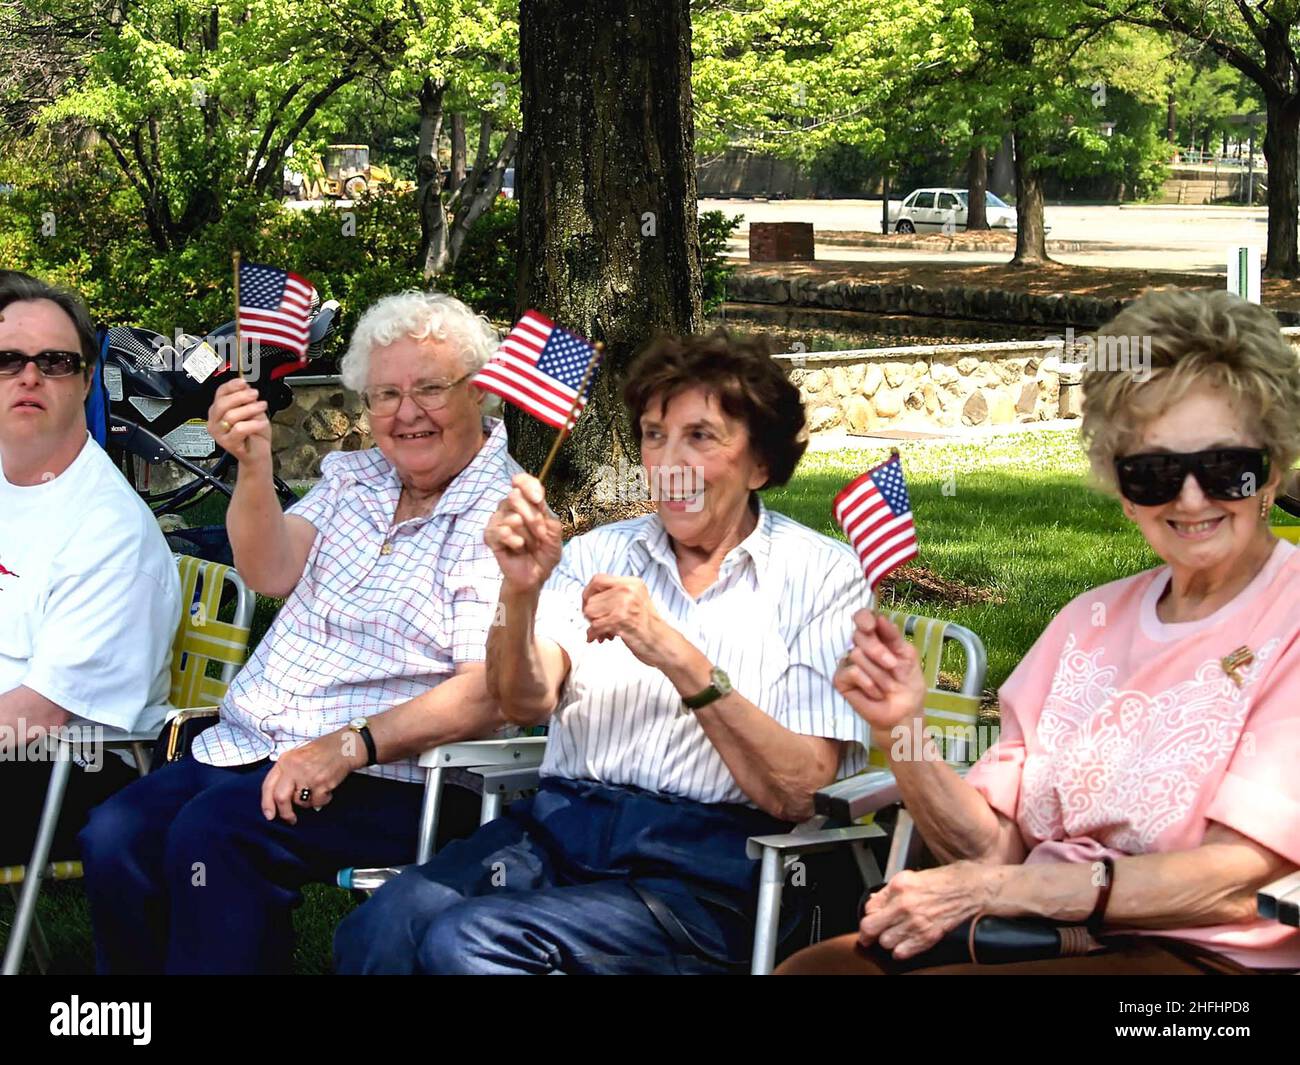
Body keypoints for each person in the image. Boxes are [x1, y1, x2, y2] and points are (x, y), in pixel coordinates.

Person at [779, 288, 1300, 975]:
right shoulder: (1087, 622)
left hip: (1209, 970)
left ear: (1275, 470)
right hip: (1036, 934)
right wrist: (901, 729)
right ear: (1120, 488)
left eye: (1228, 467)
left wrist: (1004, 889)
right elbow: (991, 845)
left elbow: (1239, 882)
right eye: (1155, 473)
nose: (1193, 498)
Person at [335, 330, 874, 974]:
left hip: (712, 872)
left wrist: (672, 650)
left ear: (760, 464)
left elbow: (800, 792)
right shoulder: (600, 553)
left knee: (472, 942)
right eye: (654, 435)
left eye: (700, 437)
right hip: (564, 829)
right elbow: (521, 697)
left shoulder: (821, 576)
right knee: (384, 925)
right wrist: (520, 590)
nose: (668, 462)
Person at [80, 291, 521, 974]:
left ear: (479, 393)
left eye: (429, 389)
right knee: (114, 835)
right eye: (384, 395)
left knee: (212, 837)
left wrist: (347, 746)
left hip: (395, 774)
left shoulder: (503, 513)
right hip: (255, 747)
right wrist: (254, 466)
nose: (406, 414)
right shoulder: (356, 480)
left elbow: (487, 691)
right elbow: (269, 569)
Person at [0, 272, 179, 868]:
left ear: (83, 382)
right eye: (7, 360)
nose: (29, 376)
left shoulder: (108, 531)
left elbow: (41, 713)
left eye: (54, 362)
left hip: (66, 769)